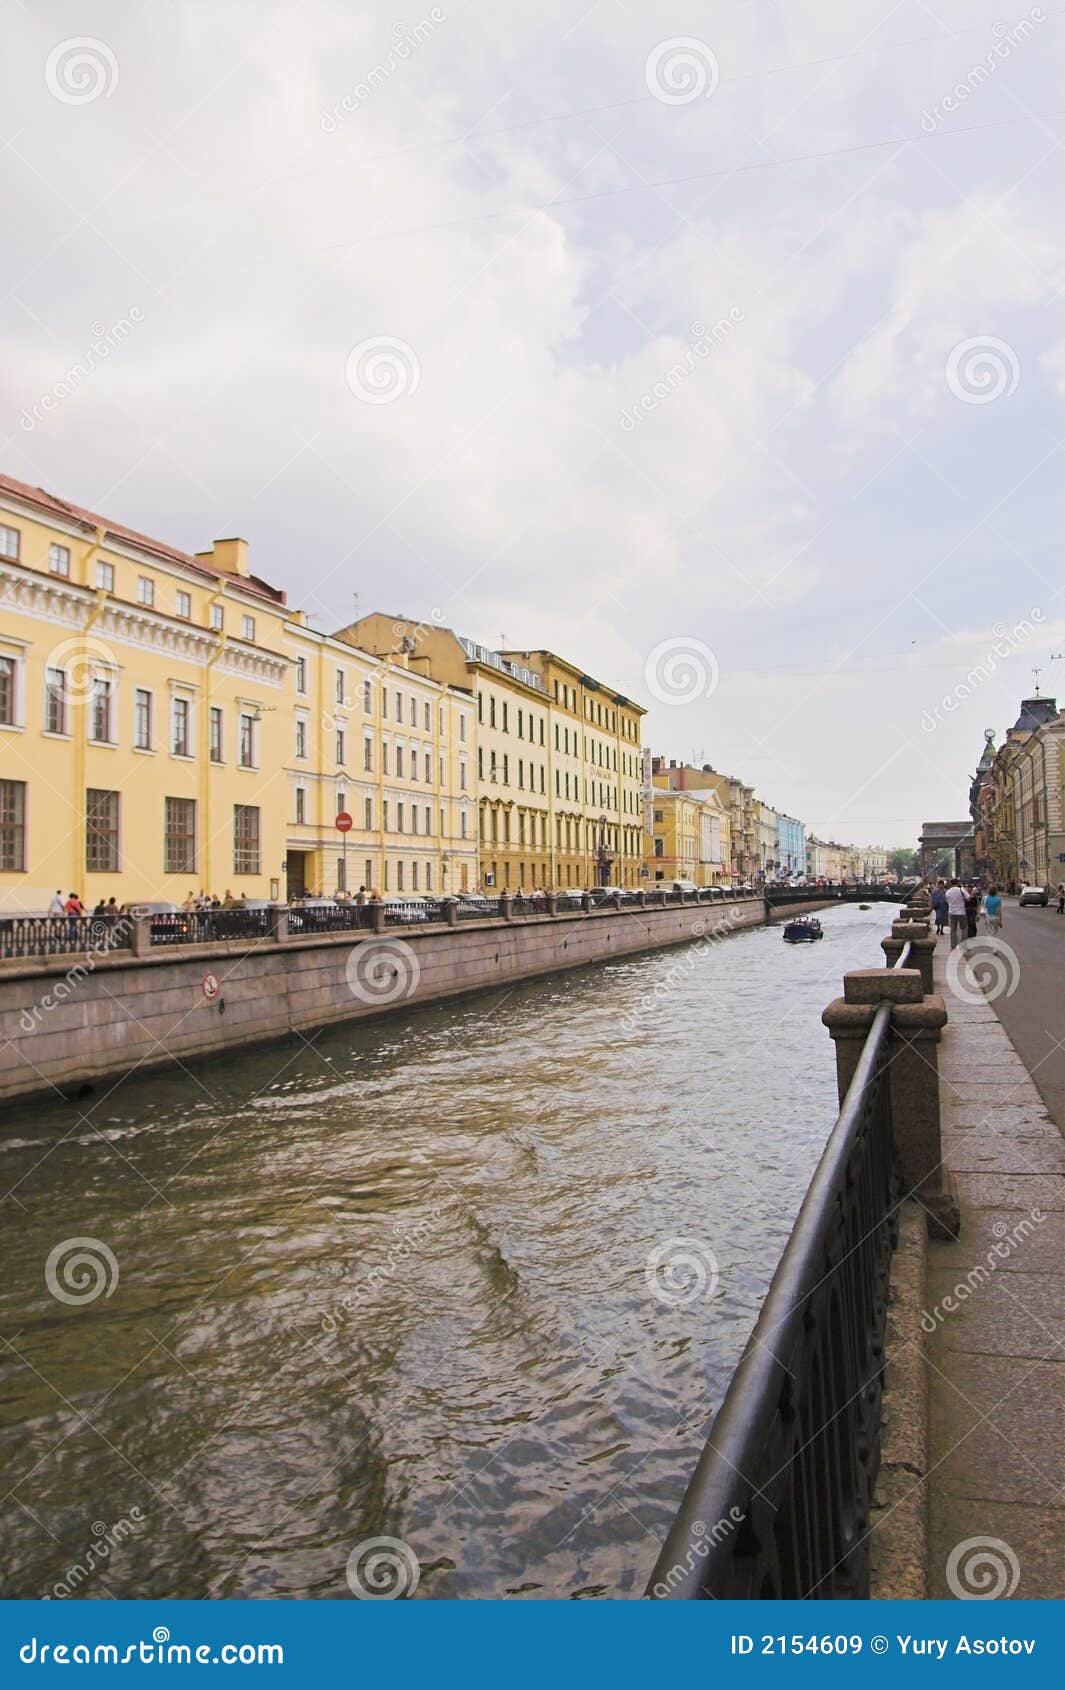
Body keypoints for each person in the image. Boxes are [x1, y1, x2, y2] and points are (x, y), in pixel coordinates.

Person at [945, 879, 969, 949]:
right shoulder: (961, 890)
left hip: (952, 912)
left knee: (953, 929)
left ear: (950, 883)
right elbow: (968, 898)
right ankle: (963, 945)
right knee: (964, 928)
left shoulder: (948, 892)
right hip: (961, 912)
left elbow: (947, 901)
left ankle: (953, 945)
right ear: (958, 883)